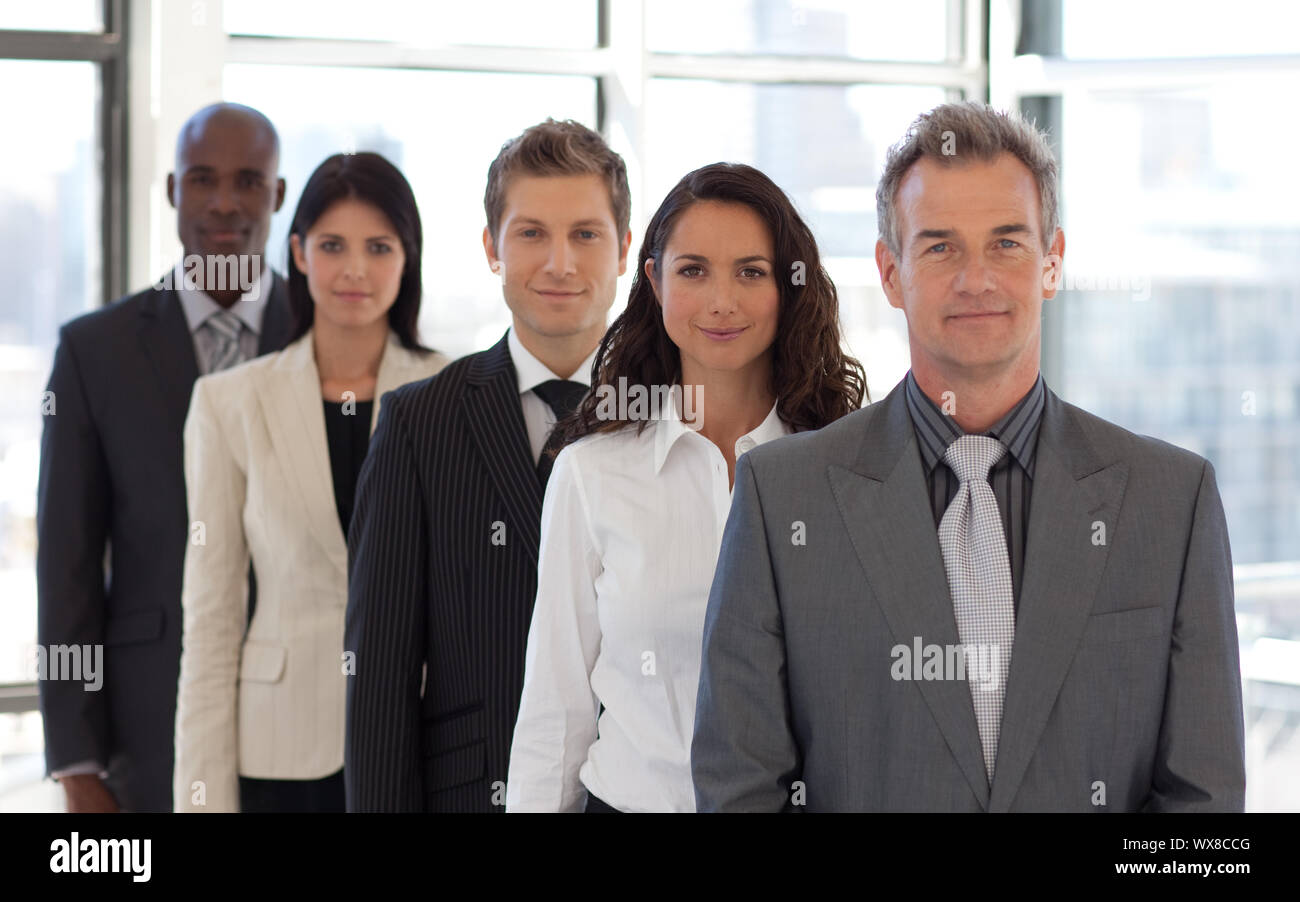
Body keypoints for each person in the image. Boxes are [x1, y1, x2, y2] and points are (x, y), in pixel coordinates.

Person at [692, 101, 1246, 812]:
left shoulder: (1172, 500)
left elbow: (1203, 809)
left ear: (1052, 263)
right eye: (941, 247)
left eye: (1007, 244)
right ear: (891, 274)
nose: (976, 279)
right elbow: (739, 787)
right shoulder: (781, 498)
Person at [505, 163, 866, 813]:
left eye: (750, 272)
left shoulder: (845, 470)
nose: (722, 300)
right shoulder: (591, 474)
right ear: (654, 280)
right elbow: (554, 711)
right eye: (693, 270)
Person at [343, 119, 632, 812]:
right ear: (491, 249)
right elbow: (379, 681)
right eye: (531, 233)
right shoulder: (419, 424)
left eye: (585, 235)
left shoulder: (674, 420)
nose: (559, 262)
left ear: (625, 250)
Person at [171, 152, 448, 812]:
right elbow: (210, 620)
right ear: (297, 252)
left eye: (378, 247)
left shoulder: (450, 394)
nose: (355, 269)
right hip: (280, 753)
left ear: (407, 258)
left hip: (421, 741)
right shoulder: (230, 402)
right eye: (332, 245)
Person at [36, 103, 293, 813]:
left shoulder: (328, 331)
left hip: (311, 720)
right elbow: (68, 569)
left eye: (247, 181)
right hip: (147, 728)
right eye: (202, 179)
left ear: (276, 195)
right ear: (173, 190)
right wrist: (77, 764)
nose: (223, 202)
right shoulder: (95, 353)